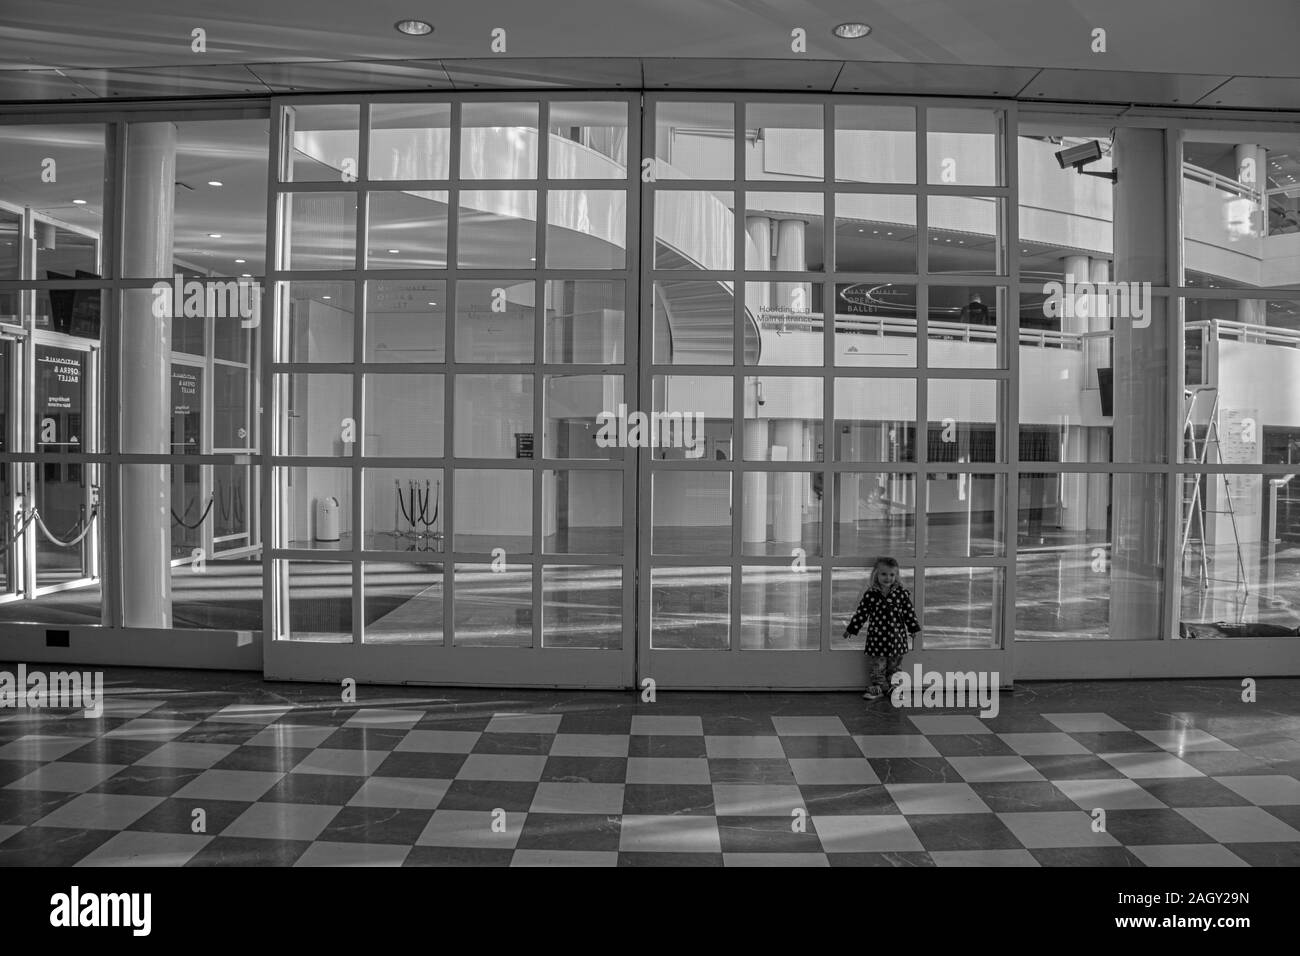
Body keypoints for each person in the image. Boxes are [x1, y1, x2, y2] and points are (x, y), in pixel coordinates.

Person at [842, 556, 921, 701]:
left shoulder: (901, 594)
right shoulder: (871, 595)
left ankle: (894, 689)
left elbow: (909, 612)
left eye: (892, 574)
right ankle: (878, 688)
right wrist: (852, 629)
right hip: (876, 639)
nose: (888, 578)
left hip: (896, 639)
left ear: (896, 576)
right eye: (883, 574)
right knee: (877, 667)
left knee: (895, 668)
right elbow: (862, 613)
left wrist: (913, 628)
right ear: (876, 575)